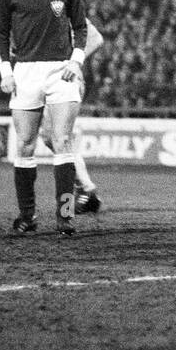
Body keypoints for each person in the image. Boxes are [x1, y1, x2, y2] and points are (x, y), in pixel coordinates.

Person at [0, 0, 88, 236]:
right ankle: (27, 216)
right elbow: (1, 34)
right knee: (25, 144)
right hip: (25, 73)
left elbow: (81, 28)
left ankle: (65, 217)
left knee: (62, 142)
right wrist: (6, 71)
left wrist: (76, 61)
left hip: (61, 71)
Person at [38, 16, 105, 215]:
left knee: (58, 137)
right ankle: (84, 187)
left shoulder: (65, 9)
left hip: (67, 79)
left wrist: (73, 62)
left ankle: (84, 190)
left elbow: (95, 38)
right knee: (51, 137)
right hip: (49, 80)